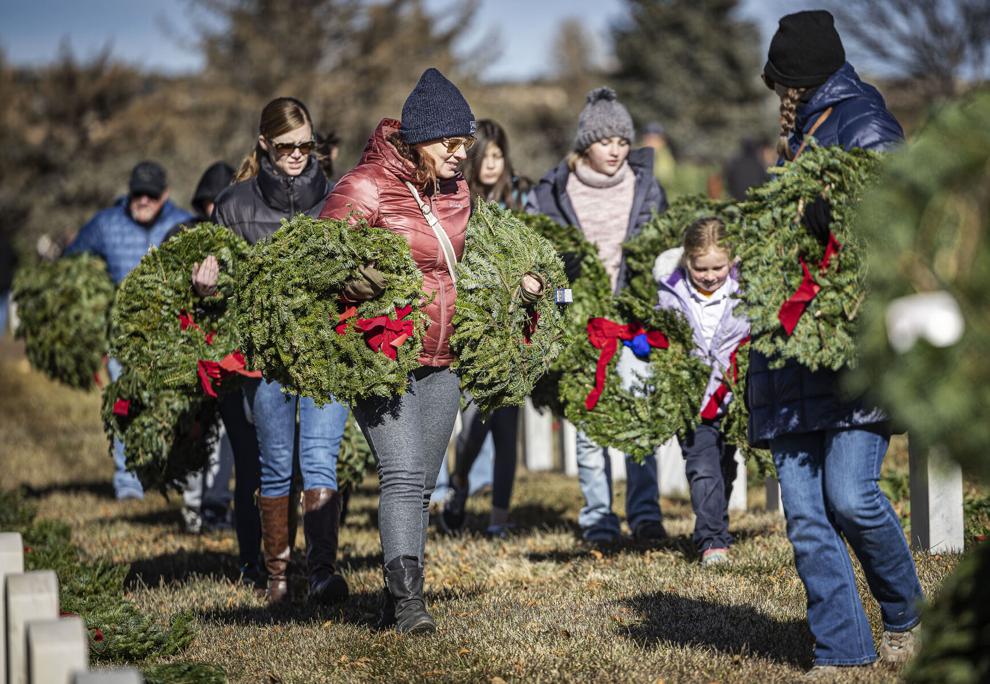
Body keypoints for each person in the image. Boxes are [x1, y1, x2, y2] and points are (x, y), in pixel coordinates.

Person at [321, 68, 531, 634]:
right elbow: (314, 261)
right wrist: (356, 280)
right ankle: (411, 603)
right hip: (381, 358)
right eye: (450, 143)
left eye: (465, 144)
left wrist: (522, 283)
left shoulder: (457, 190)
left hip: (444, 359)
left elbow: (472, 261)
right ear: (417, 138)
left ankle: (395, 597)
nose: (461, 154)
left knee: (423, 481)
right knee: (403, 474)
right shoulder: (365, 186)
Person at [748, 10, 923, 675]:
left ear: (797, 80)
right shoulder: (798, 135)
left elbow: (897, 225)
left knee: (850, 496)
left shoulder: (865, 124)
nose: (776, 99)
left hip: (849, 347)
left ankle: (904, 612)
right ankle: (843, 649)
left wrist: (839, 222)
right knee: (806, 513)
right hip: (788, 348)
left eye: (778, 85)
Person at [192, 97, 349, 606]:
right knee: (275, 465)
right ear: (264, 144)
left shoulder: (339, 198)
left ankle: (322, 572)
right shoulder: (233, 206)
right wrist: (206, 286)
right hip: (265, 361)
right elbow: (220, 293)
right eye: (287, 146)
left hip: (328, 353)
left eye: (307, 145)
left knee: (321, 459)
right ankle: (278, 577)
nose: (299, 154)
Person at [526, 87, 669, 544]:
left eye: (623, 141)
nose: (616, 150)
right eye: (606, 140)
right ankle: (598, 517)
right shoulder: (553, 191)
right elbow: (534, 250)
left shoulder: (646, 187)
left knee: (638, 415)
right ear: (585, 142)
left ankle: (645, 514)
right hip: (580, 323)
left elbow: (662, 250)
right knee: (588, 427)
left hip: (634, 321)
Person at [65, 160, 193, 500]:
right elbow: (73, 259)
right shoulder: (105, 223)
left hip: (170, 338)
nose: (143, 201)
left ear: (164, 195)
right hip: (122, 337)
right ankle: (128, 482)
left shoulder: (182, 223)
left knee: (171, 408)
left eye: (151, 195)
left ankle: (168, 474)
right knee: (125, 406)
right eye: (138, 193)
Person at [440, 119, 531, 538]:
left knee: (508, 423)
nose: (493, 164)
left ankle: (498, 517)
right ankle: (459, 483)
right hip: (471, 330)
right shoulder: (458, 204)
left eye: (499, 155)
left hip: (514, 331)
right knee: (476, 420)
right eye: (486, 156)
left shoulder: (521, 203)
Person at [655, 217, 749, 565]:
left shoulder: (746, 292)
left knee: (725, 465)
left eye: (718, 267)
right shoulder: (671, 293)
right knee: (702, 466)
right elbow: (665, 336)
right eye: (701, 268)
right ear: (687, 261)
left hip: (732, 396)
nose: (710, 275)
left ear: (732, 261)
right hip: (692, 399)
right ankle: (713, 541)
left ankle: (714, 524)